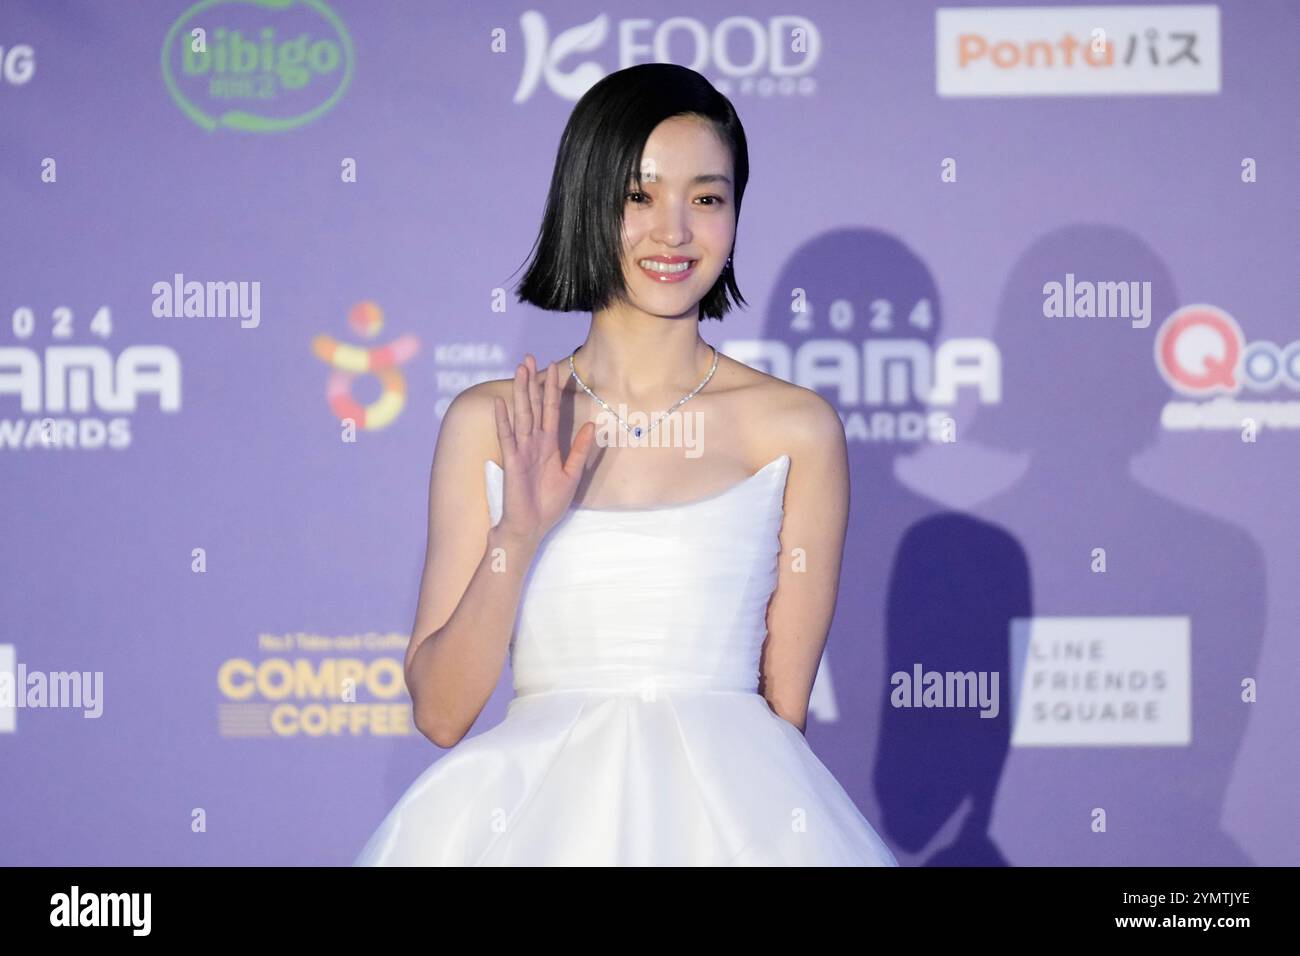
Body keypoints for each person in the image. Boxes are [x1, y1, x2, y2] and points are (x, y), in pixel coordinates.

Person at [354, 62, 898, 866]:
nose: (673, 231)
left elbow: (780, 718)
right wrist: (521, 530)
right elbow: (440, 711)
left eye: (706, 198)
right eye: (638, 196)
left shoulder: (796, 431)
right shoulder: (492, 422)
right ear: (587, 201)